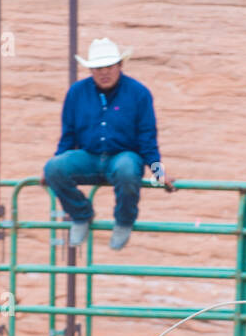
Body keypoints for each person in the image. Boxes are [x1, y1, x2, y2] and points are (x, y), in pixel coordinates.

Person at [42, 38, 175, 251]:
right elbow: (68, 135)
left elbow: (148, 138)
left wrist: (158, 172)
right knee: (53, 168)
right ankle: (81, 215)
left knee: (127, 169)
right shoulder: (76, 93)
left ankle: (124, 220)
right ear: (90, 70)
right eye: (98, 68)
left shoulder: (139, 93)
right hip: (89, 156)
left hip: (123, 157)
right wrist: (55, 164)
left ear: (120, 66)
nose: (104, 72)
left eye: (109, 67)